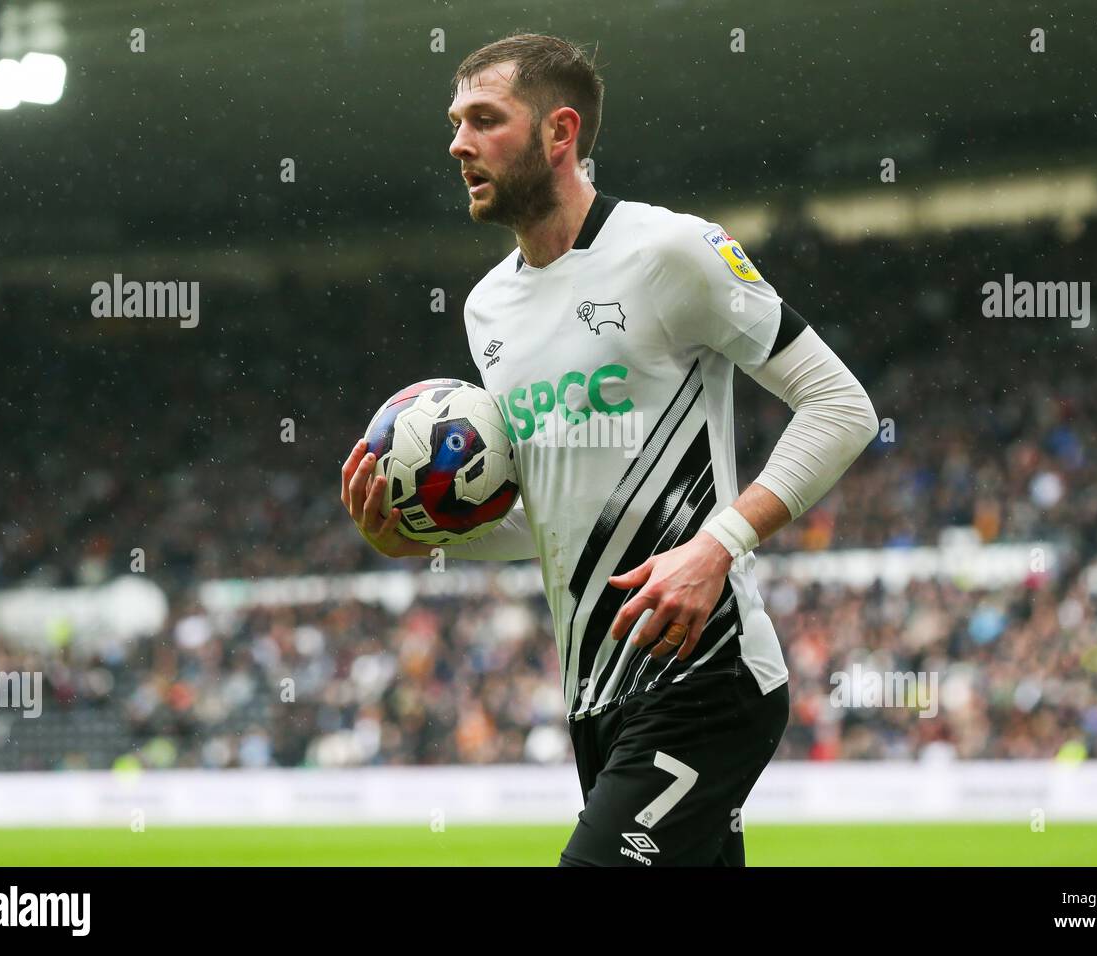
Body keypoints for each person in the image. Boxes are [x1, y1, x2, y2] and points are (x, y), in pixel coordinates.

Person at [340, 33, 879, 866]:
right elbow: (552, 518)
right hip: (597, 700)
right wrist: (417, 536)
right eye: (455, 122)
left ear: (560, 133)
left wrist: (717, 545)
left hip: (707, 679)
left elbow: (841, 405)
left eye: (485, 120)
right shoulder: (486, 312)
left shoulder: (671, 252)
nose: (458, 143)